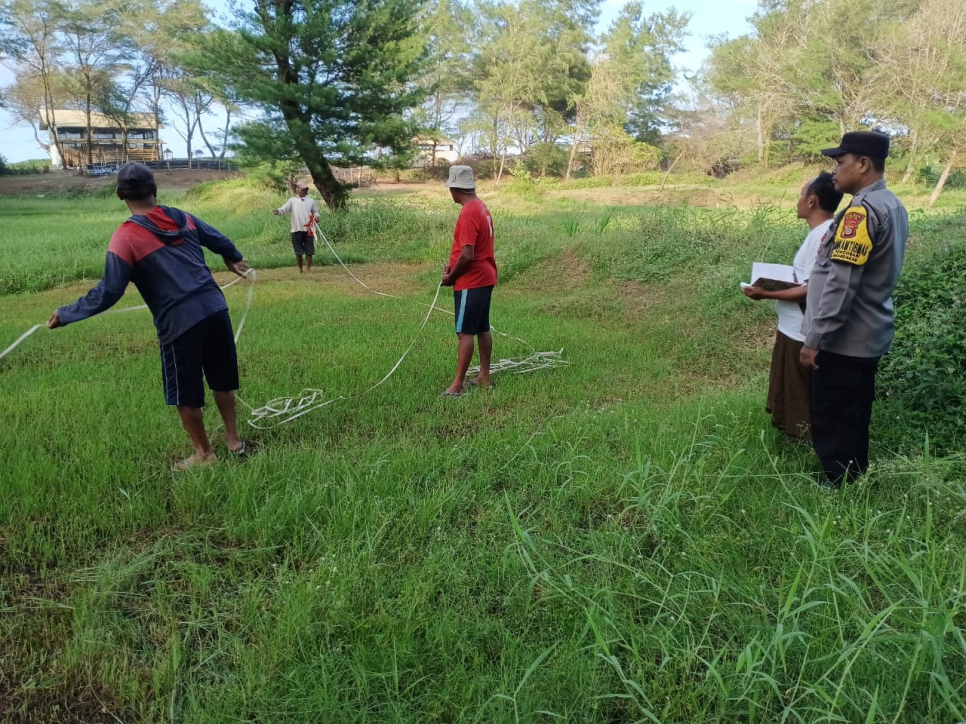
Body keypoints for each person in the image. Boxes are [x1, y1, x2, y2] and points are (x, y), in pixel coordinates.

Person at [46, 162, 251, 470]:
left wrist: (67, 314)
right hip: (214, 307)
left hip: (179, 322)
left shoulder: (125, 237)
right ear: (155, 190)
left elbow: (110, 291)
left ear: (119, 195)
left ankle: (204, 454)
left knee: (185, 391)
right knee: (221, 378)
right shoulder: (184, 218)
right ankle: (234, 442)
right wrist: (232, 258)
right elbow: (218, 239)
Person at [800, 131, 908, 488]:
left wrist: (816, 337)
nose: (835, 171)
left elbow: (841, 283)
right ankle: (854, 473)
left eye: (840, 162)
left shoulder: (859, 214)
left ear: (863, 164)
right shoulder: (892, 203)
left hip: (844, 338)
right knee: (855, 409)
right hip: (869, 331)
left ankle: (840, 482)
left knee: (834, 410)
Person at [743, 172, 842, 440]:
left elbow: (813, 289)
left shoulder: (824, 235)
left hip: (801, 329)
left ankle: (804, 440)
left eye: (801, 194)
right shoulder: (821, 233)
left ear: (812, 201)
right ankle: (797, 435)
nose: (797, 200)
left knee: (799, 389)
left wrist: (766, 293)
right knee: (790, 384)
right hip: (791, 326)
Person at [440, 165, 497, 396]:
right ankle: (484, 376)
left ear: (455, 189)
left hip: (471, 281)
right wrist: (453, 266)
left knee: (464, 332)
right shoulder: (481, 207)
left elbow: (467, 254)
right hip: (485, 278)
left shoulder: (468, 212)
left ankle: (457, 385)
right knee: (482, 327)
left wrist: (451, 277)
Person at [273, 181, 320, 273]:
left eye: (300, 188)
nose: (297, 189)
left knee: (309, 252)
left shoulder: (310, 201)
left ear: (305, 190)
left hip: (309, 230)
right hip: (296, 229)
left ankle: (308, 269)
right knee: (298, 252)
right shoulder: (292, 201)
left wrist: (317, 217)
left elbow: (315, 211)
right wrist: (278, 211)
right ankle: (300, 269)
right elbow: (284, 209)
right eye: (297, 188)